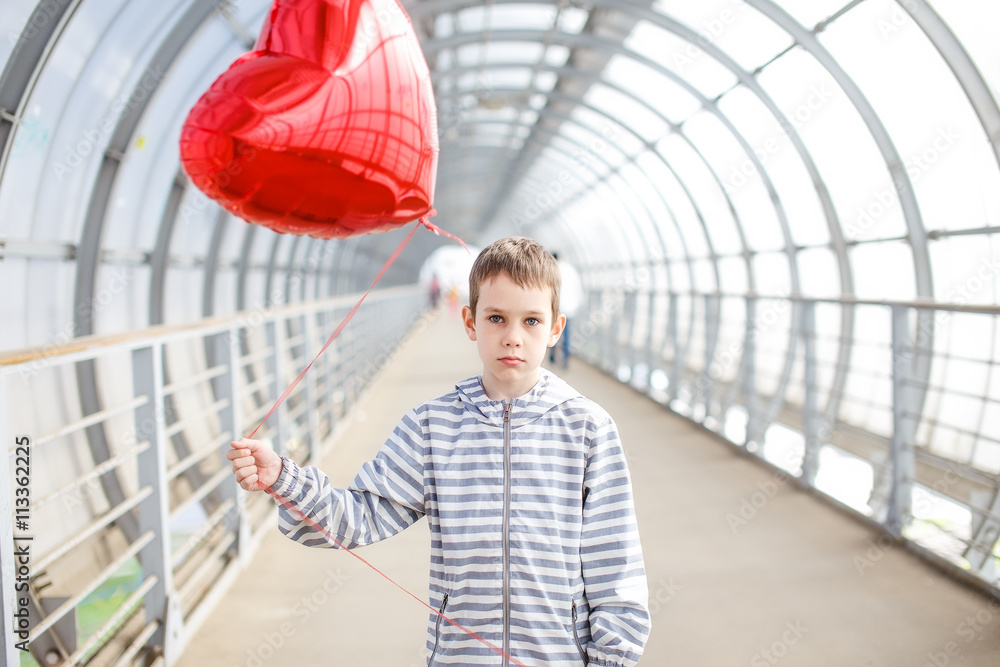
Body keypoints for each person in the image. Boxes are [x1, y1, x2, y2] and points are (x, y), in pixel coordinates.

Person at [227, 236, 650, 666]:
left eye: (532, 322)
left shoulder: (587, 429)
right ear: (470, 322)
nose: (512, 338)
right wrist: (283, 478)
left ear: (556, 328)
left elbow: (616, 570)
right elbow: (357, 518)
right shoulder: (432, 427)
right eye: (497, 318)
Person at [549, 252, 584, 369]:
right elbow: (578, 289)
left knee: (553, 331)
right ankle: (565, 360)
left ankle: (553, 356)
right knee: (567, 333)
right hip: (570, 307)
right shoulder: (571, 270)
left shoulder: (553, 269)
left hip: (557, 307)